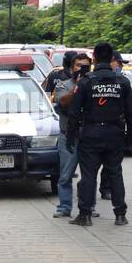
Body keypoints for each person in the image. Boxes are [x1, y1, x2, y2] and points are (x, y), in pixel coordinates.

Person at [68, 43, 132, 227]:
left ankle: (85, 215)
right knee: (115, 174)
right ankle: (120, 215)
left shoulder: (86, 81)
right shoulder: (122, 82)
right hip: (114, 134)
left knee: (88, 175)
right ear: (112, 59)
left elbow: (74, 112)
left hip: (91, 133)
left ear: (95, 58)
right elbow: (131, 113)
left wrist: (70, 136)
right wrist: (130, 136)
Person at [45, 51, 91, 218]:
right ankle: (64, 207)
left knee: (89, 176)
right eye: (78, 66)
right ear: (72, 68)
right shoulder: (63, 85)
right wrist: (78, 88)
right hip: (68, 137)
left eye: (85, 66)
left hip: (88, 137)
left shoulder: (93, 85)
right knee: (65, 175)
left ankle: (89, 206)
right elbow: (63, 103)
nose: (81, 69)